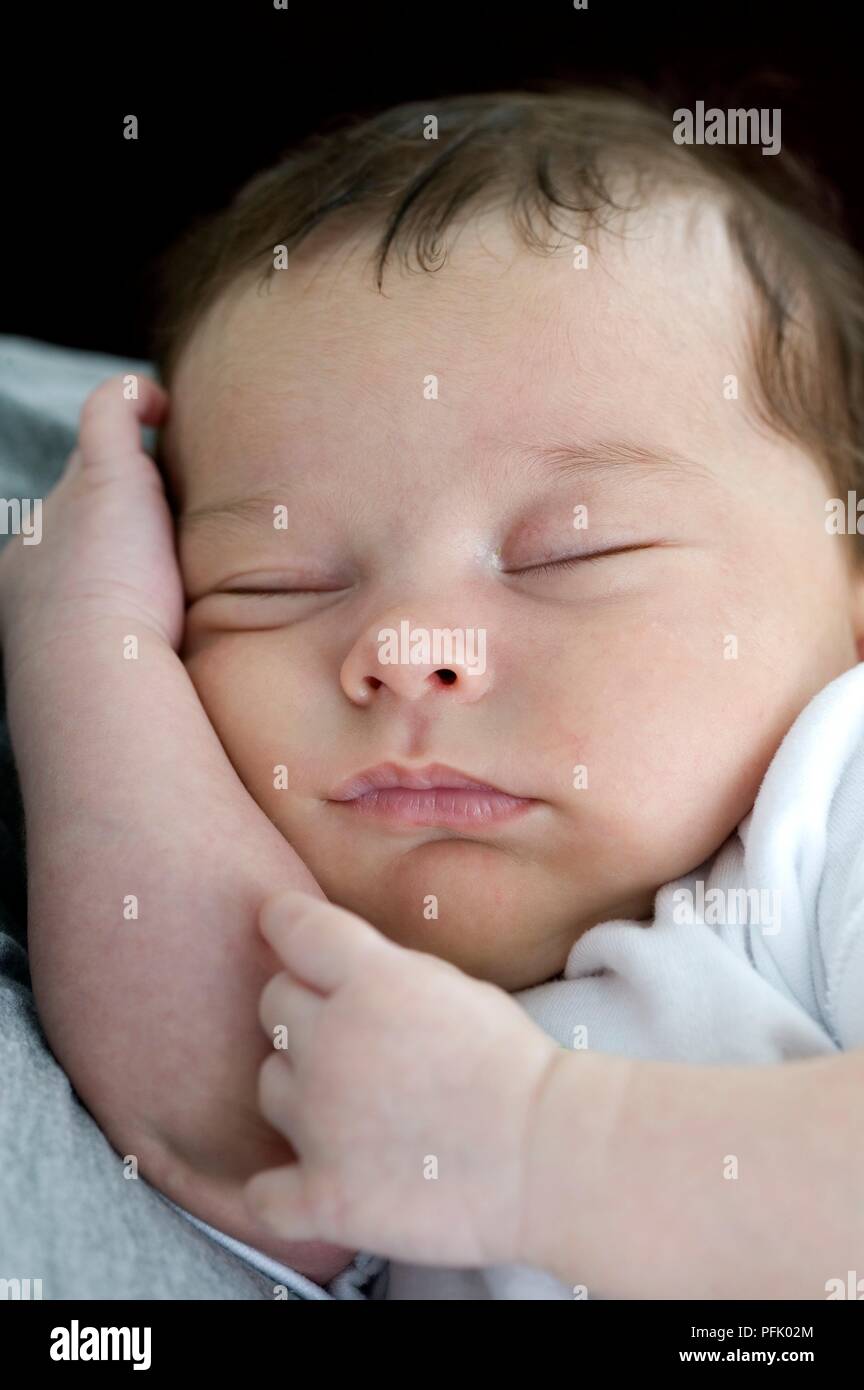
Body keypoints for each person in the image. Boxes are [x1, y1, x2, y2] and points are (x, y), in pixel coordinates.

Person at [2, 87, 863, 1299]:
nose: (404, 646)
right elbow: (222, 1136)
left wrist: (544, 1143)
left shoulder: (832, 801)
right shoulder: (375, 996)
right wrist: (92, 647)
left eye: (573, 551)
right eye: (272, 583)